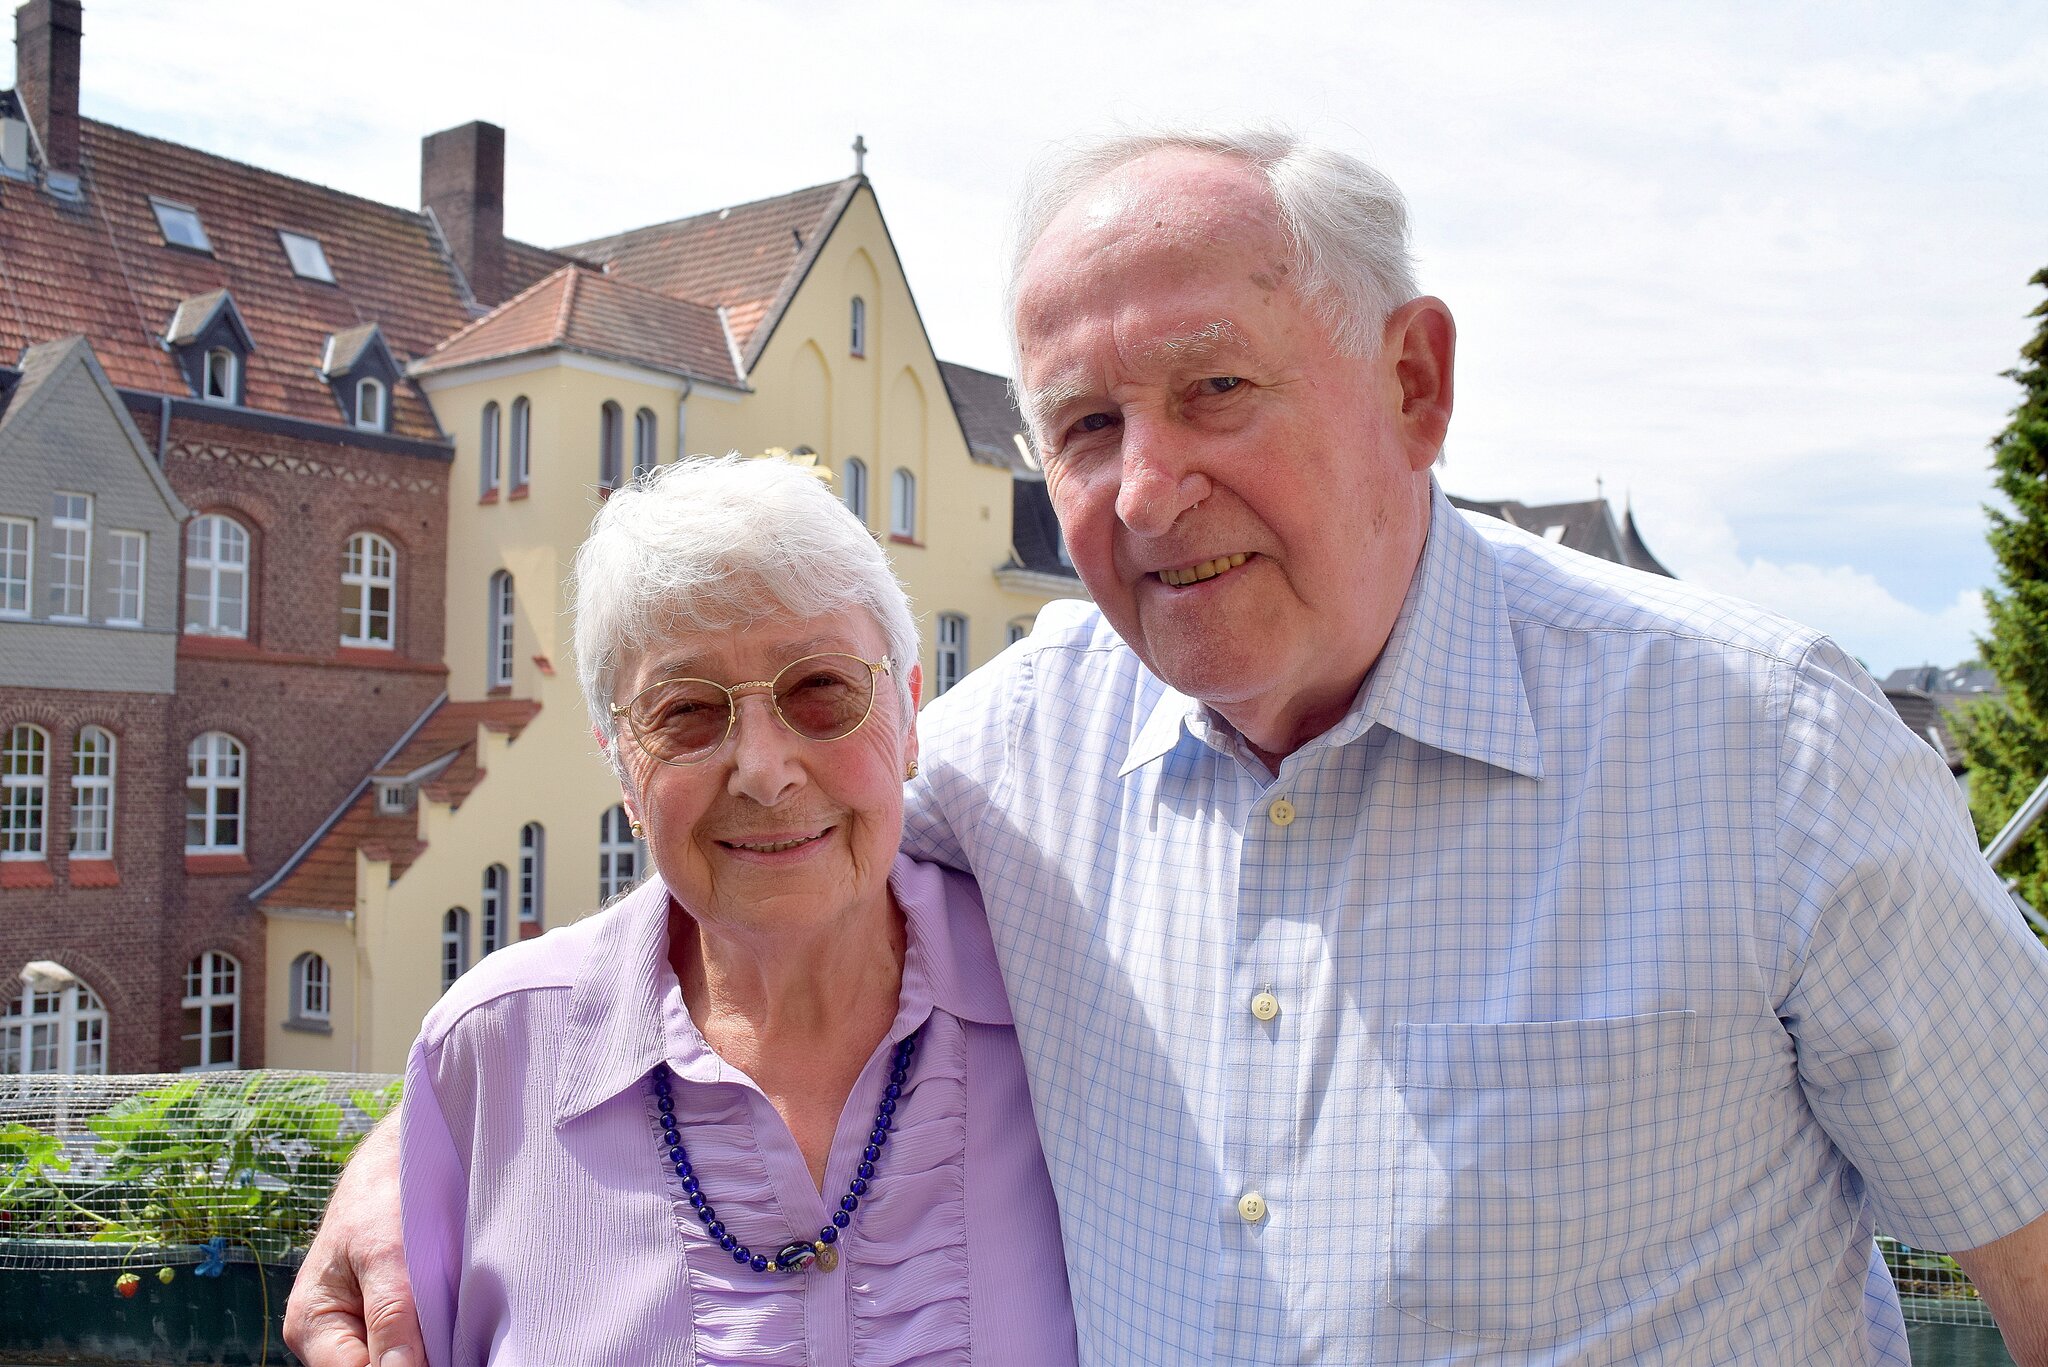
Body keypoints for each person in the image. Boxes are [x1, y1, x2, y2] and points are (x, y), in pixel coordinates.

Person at [290, 129, 2048, 1366]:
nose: (1145, 488)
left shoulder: (1763, 752)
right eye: (1083, 424)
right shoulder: (1020, 746)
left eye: (1216, 392)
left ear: (1414, 385)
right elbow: (752, 839)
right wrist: (431, 1140)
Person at [394, 455, 1077, 1365]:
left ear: (909, 717)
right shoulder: (491, 1055)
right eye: (685, 712)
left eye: (821, 690)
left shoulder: (1062, 996)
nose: (763, 767)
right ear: (622, 768)